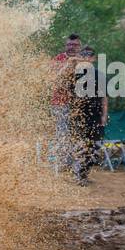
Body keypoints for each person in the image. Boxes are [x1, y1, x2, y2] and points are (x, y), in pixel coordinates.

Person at [69, 47, 107, 185]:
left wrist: (104, 115)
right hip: (79, 116)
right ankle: (78, 176)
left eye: (89, 56)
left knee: (95, 149)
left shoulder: (100, 75)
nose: (86, 58)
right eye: (83, 55)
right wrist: (72, 63)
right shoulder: (75, 74)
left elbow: (104, 97)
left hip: (96, 116)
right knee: (81, 147)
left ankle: (84, 174)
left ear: (94, 59)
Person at [50, 34, 83, 171]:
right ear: (65, 46)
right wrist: (69, 64)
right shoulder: (59, 59)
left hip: (79, 103)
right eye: (69, 44)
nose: (71, 47)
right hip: (60, 102)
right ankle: (63, 163)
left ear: (79, 46)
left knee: (77, 132)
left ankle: (75, 164)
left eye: (75, 45)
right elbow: (55, 79)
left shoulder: (83, 60)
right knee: (62, 132)